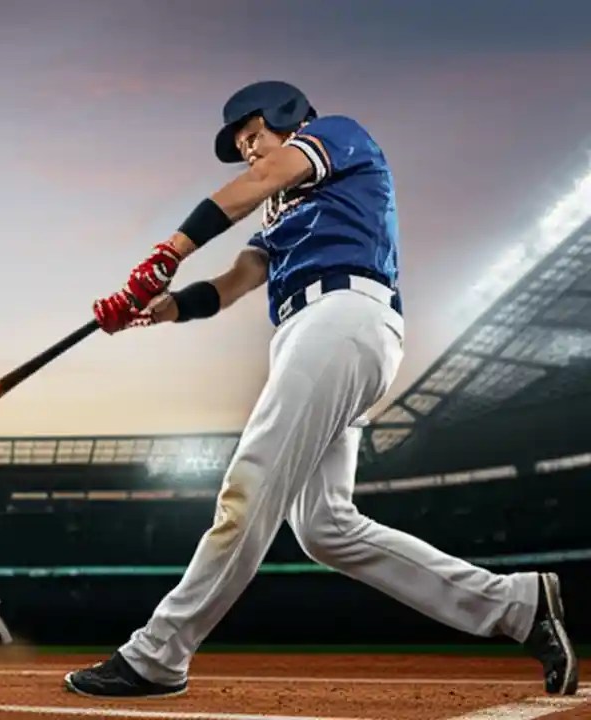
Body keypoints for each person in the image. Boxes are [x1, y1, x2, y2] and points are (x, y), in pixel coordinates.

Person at [63, 80, 577, 699]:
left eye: (253, 133)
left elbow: (256, 181)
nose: (248, 150)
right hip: (317, 335)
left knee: (249, 488)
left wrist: (169, 250)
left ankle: (158, 655)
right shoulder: (279, 211)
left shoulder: (335, 133)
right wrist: (162, 307)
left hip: (341, 317)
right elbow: (236, 281)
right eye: (240, 143)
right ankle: (518, 604)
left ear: (286, 116)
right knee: (325, 526)